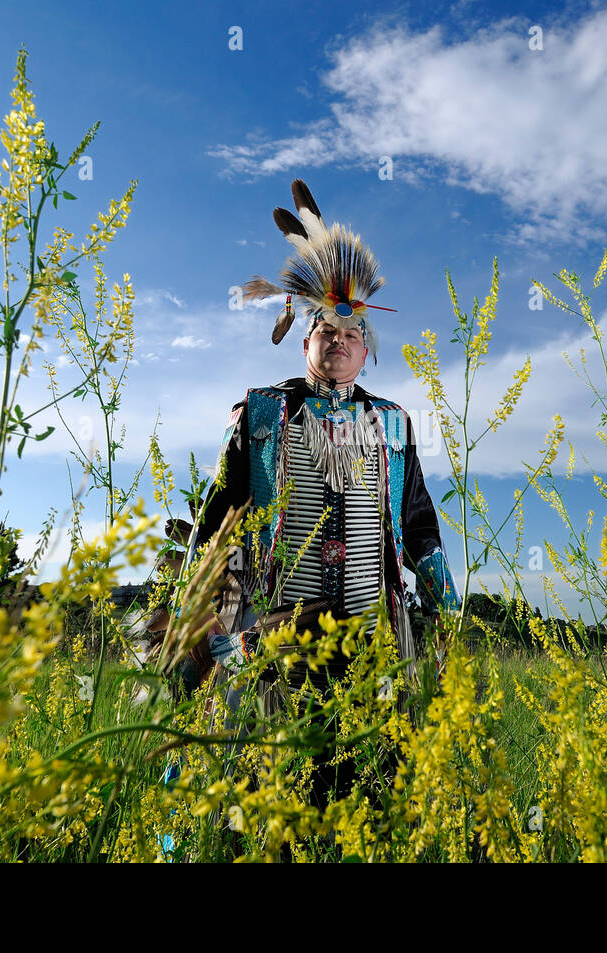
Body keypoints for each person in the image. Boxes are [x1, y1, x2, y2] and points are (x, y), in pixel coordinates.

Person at [177, 178, 460, 809]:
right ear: (305, 341)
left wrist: (441, 596)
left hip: (369, 638)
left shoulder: (392, 425)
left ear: (367, 351)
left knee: (367, 788)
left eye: (350, 333)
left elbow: (415, 524)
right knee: (274, 792)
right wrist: (199, 615)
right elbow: (218, 519)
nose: (338, 340)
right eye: (325, 330)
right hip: (276, 636)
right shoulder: (260, 416)